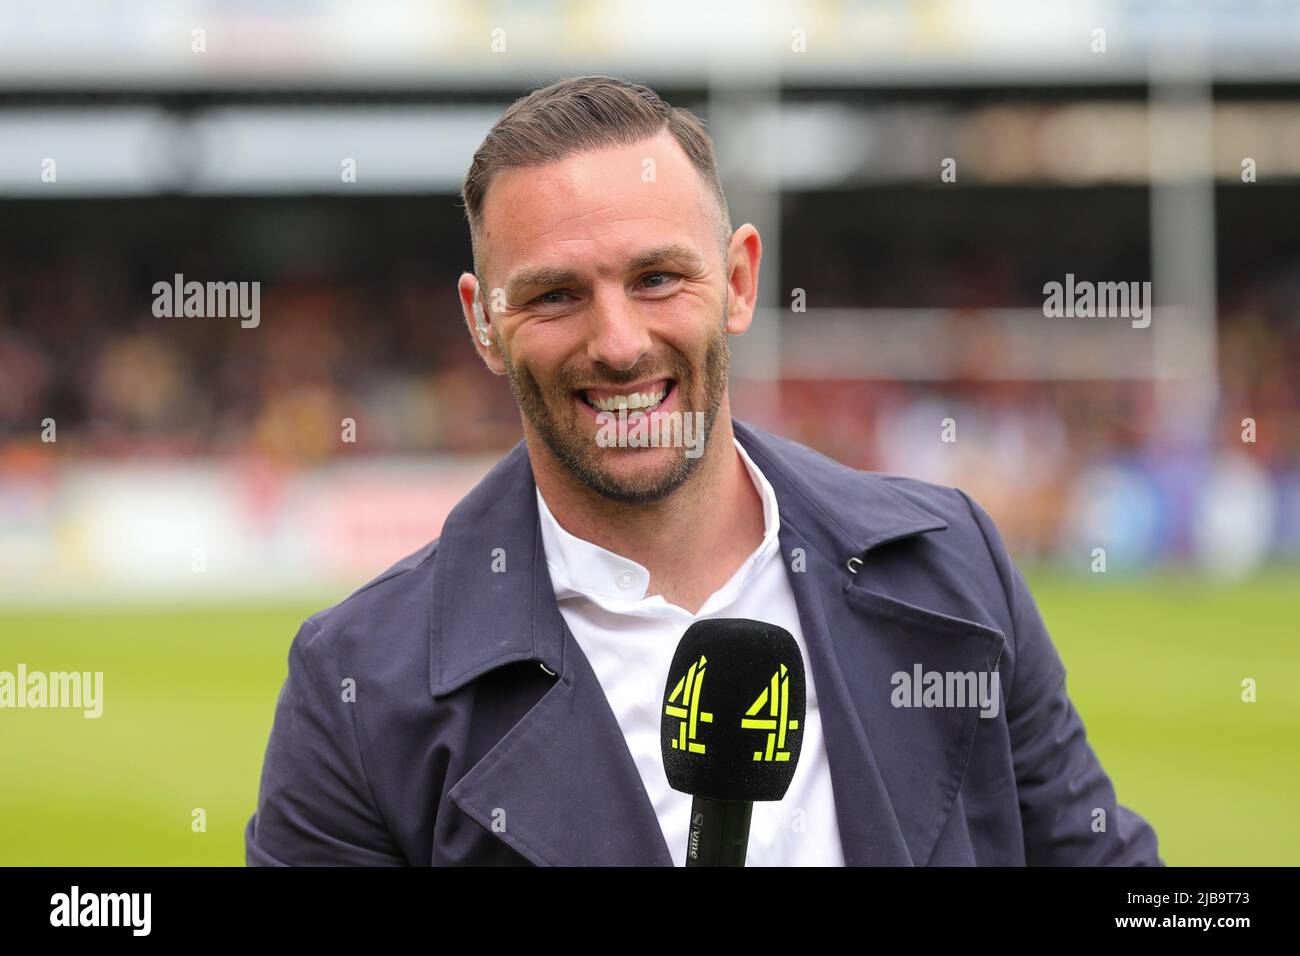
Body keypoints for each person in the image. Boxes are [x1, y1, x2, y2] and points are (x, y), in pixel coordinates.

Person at [245, 74, 1161, 866]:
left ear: (740, 280)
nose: (618, 342)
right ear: (483, 323)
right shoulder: (361, 689)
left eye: (656, 279)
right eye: (557, 294)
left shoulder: (952, 568)